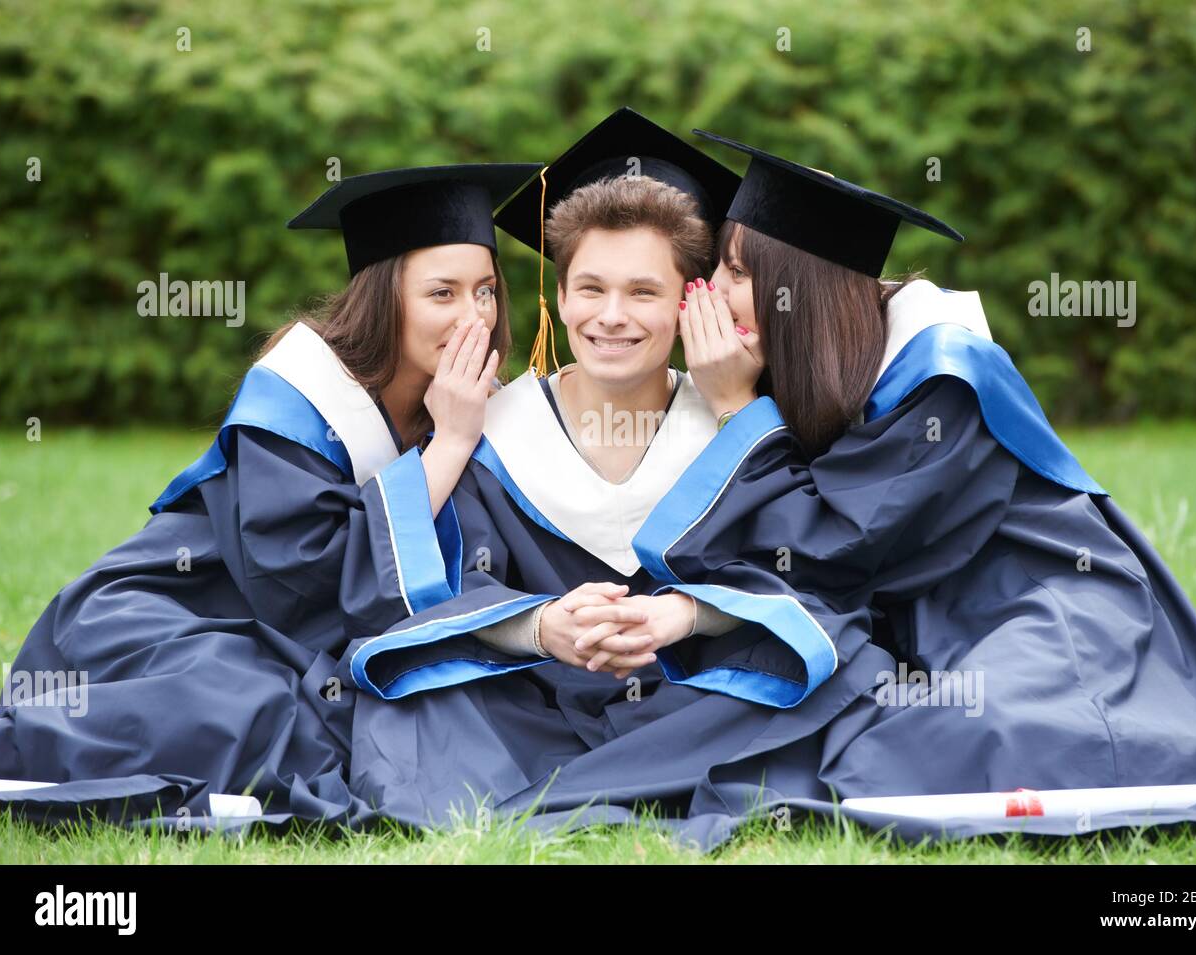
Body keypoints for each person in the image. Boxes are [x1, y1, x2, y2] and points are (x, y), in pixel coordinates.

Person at [620, 128, 1196, 845]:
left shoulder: (940, 375)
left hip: (1047, 607)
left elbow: (834, 549)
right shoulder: (813, 369)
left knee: (970, 737)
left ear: (798, 295)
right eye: (717, 267)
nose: (710, 296)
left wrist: (734, 411)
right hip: (933, 625)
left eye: (736, 275)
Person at [330, 110, 897, 840]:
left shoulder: (734, 427)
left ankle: (567, 792)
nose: (612, 316)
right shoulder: (497, 429)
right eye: (590, 289)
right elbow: (411, 601)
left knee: (846, 665)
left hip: (687, 696)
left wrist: (685, 616)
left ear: (693, 300)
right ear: (559, 298)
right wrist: (539, 625)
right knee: (406, 692)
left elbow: (804, 584)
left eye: (644, 292)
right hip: (530, 703)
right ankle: (648, 784)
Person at [0, 163, 538, 828]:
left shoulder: (476, 407)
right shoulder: (298, 397)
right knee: (263, 711)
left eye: (486, 291)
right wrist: (447, 447)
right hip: (166, 617)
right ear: (385, 298)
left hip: (269, 641)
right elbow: (309, 589)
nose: (473, 317)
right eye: (442, 293)